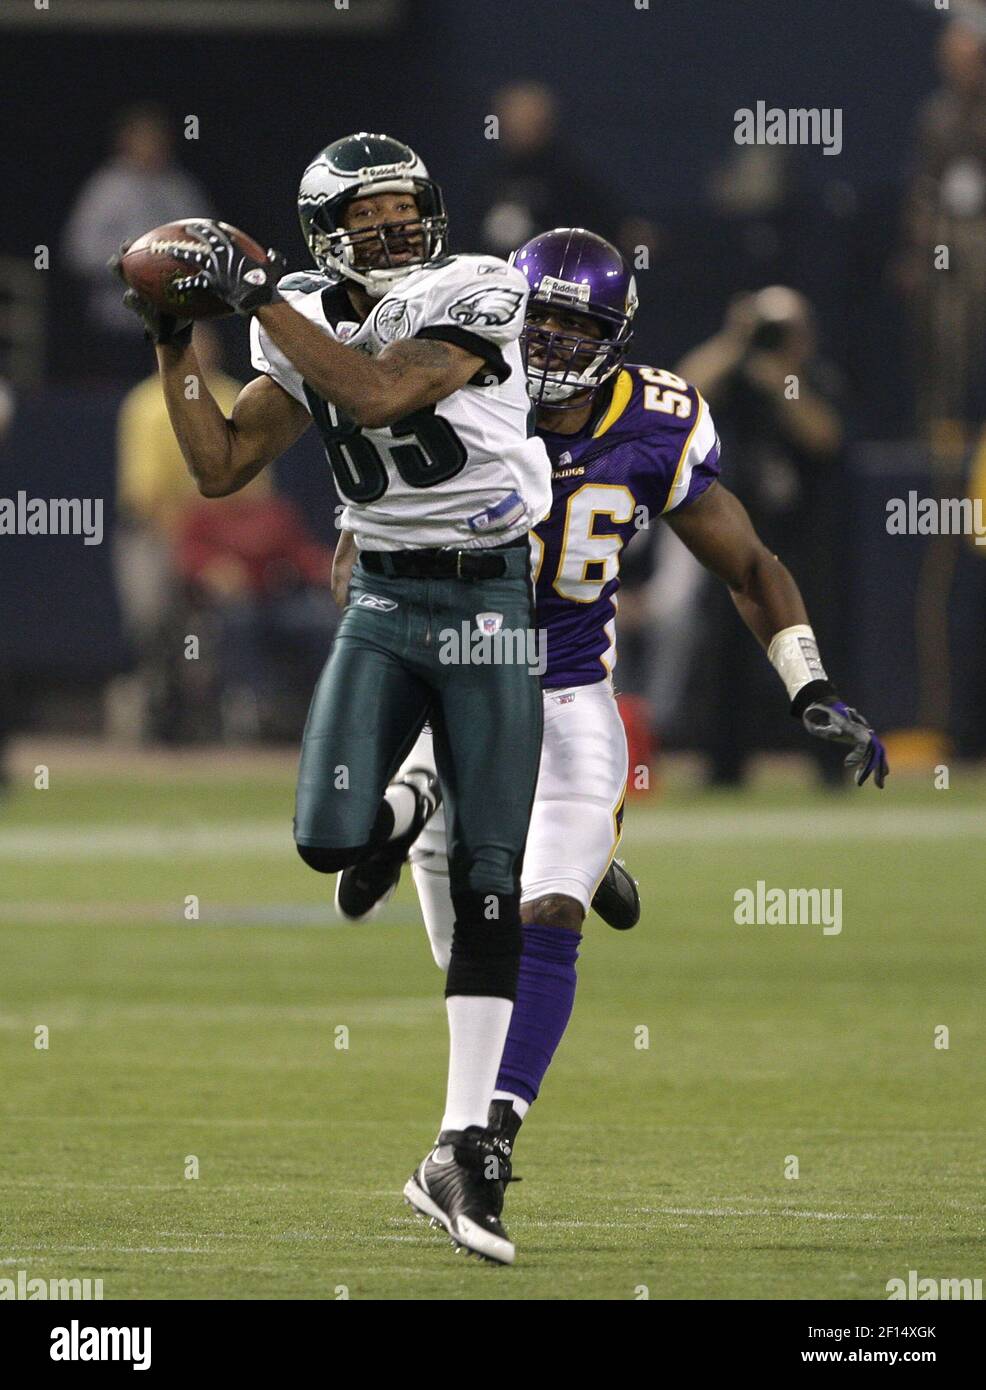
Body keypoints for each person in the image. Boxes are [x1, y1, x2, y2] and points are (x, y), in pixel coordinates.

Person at [330, 229, 888, 1227]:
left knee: (544, 916)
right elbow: (356, 557)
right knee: (474, 960)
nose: (544, 341)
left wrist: (808, 685)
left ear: (612, 337)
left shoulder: (655, 419)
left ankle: (482, 1150)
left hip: (568, 701)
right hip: (452, 688)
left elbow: (748, 566)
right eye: (535, 316)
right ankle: (439, 822)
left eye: (569, 325)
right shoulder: (451, 389)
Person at [114, 132, 552, 1266]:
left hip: (491, 600)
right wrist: (177, 342)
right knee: (326, 837)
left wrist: (258, 288)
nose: (397, 225)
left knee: (491, 874)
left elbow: (378, 386)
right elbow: (217, 464)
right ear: (326, 232)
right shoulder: (292, 312)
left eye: (408, 203)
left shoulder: (478, 285)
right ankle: (408, 801)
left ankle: (465, 1145)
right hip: (388, 604)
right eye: (371, 214)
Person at [678, 288, 847, 785]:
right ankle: (724, 770)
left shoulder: (815, 379)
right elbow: (681, 392)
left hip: (803, 543)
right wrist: (734, 342)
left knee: (810, 650)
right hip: (735, 539)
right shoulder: (734, 380)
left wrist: (784, 383)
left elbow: (825, 437)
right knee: (726, 656)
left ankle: (831, 765)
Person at [64, 103, 211, 380]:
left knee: (175, 391)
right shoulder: (106, 189)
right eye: (144, 137)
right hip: (120, 322)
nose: (152, 145)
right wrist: (138, 262)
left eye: (157, 138)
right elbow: (79, 251)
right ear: (126, 140)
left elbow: (210, 244)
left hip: (175, 317)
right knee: (123, 398)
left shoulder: (180, 189)